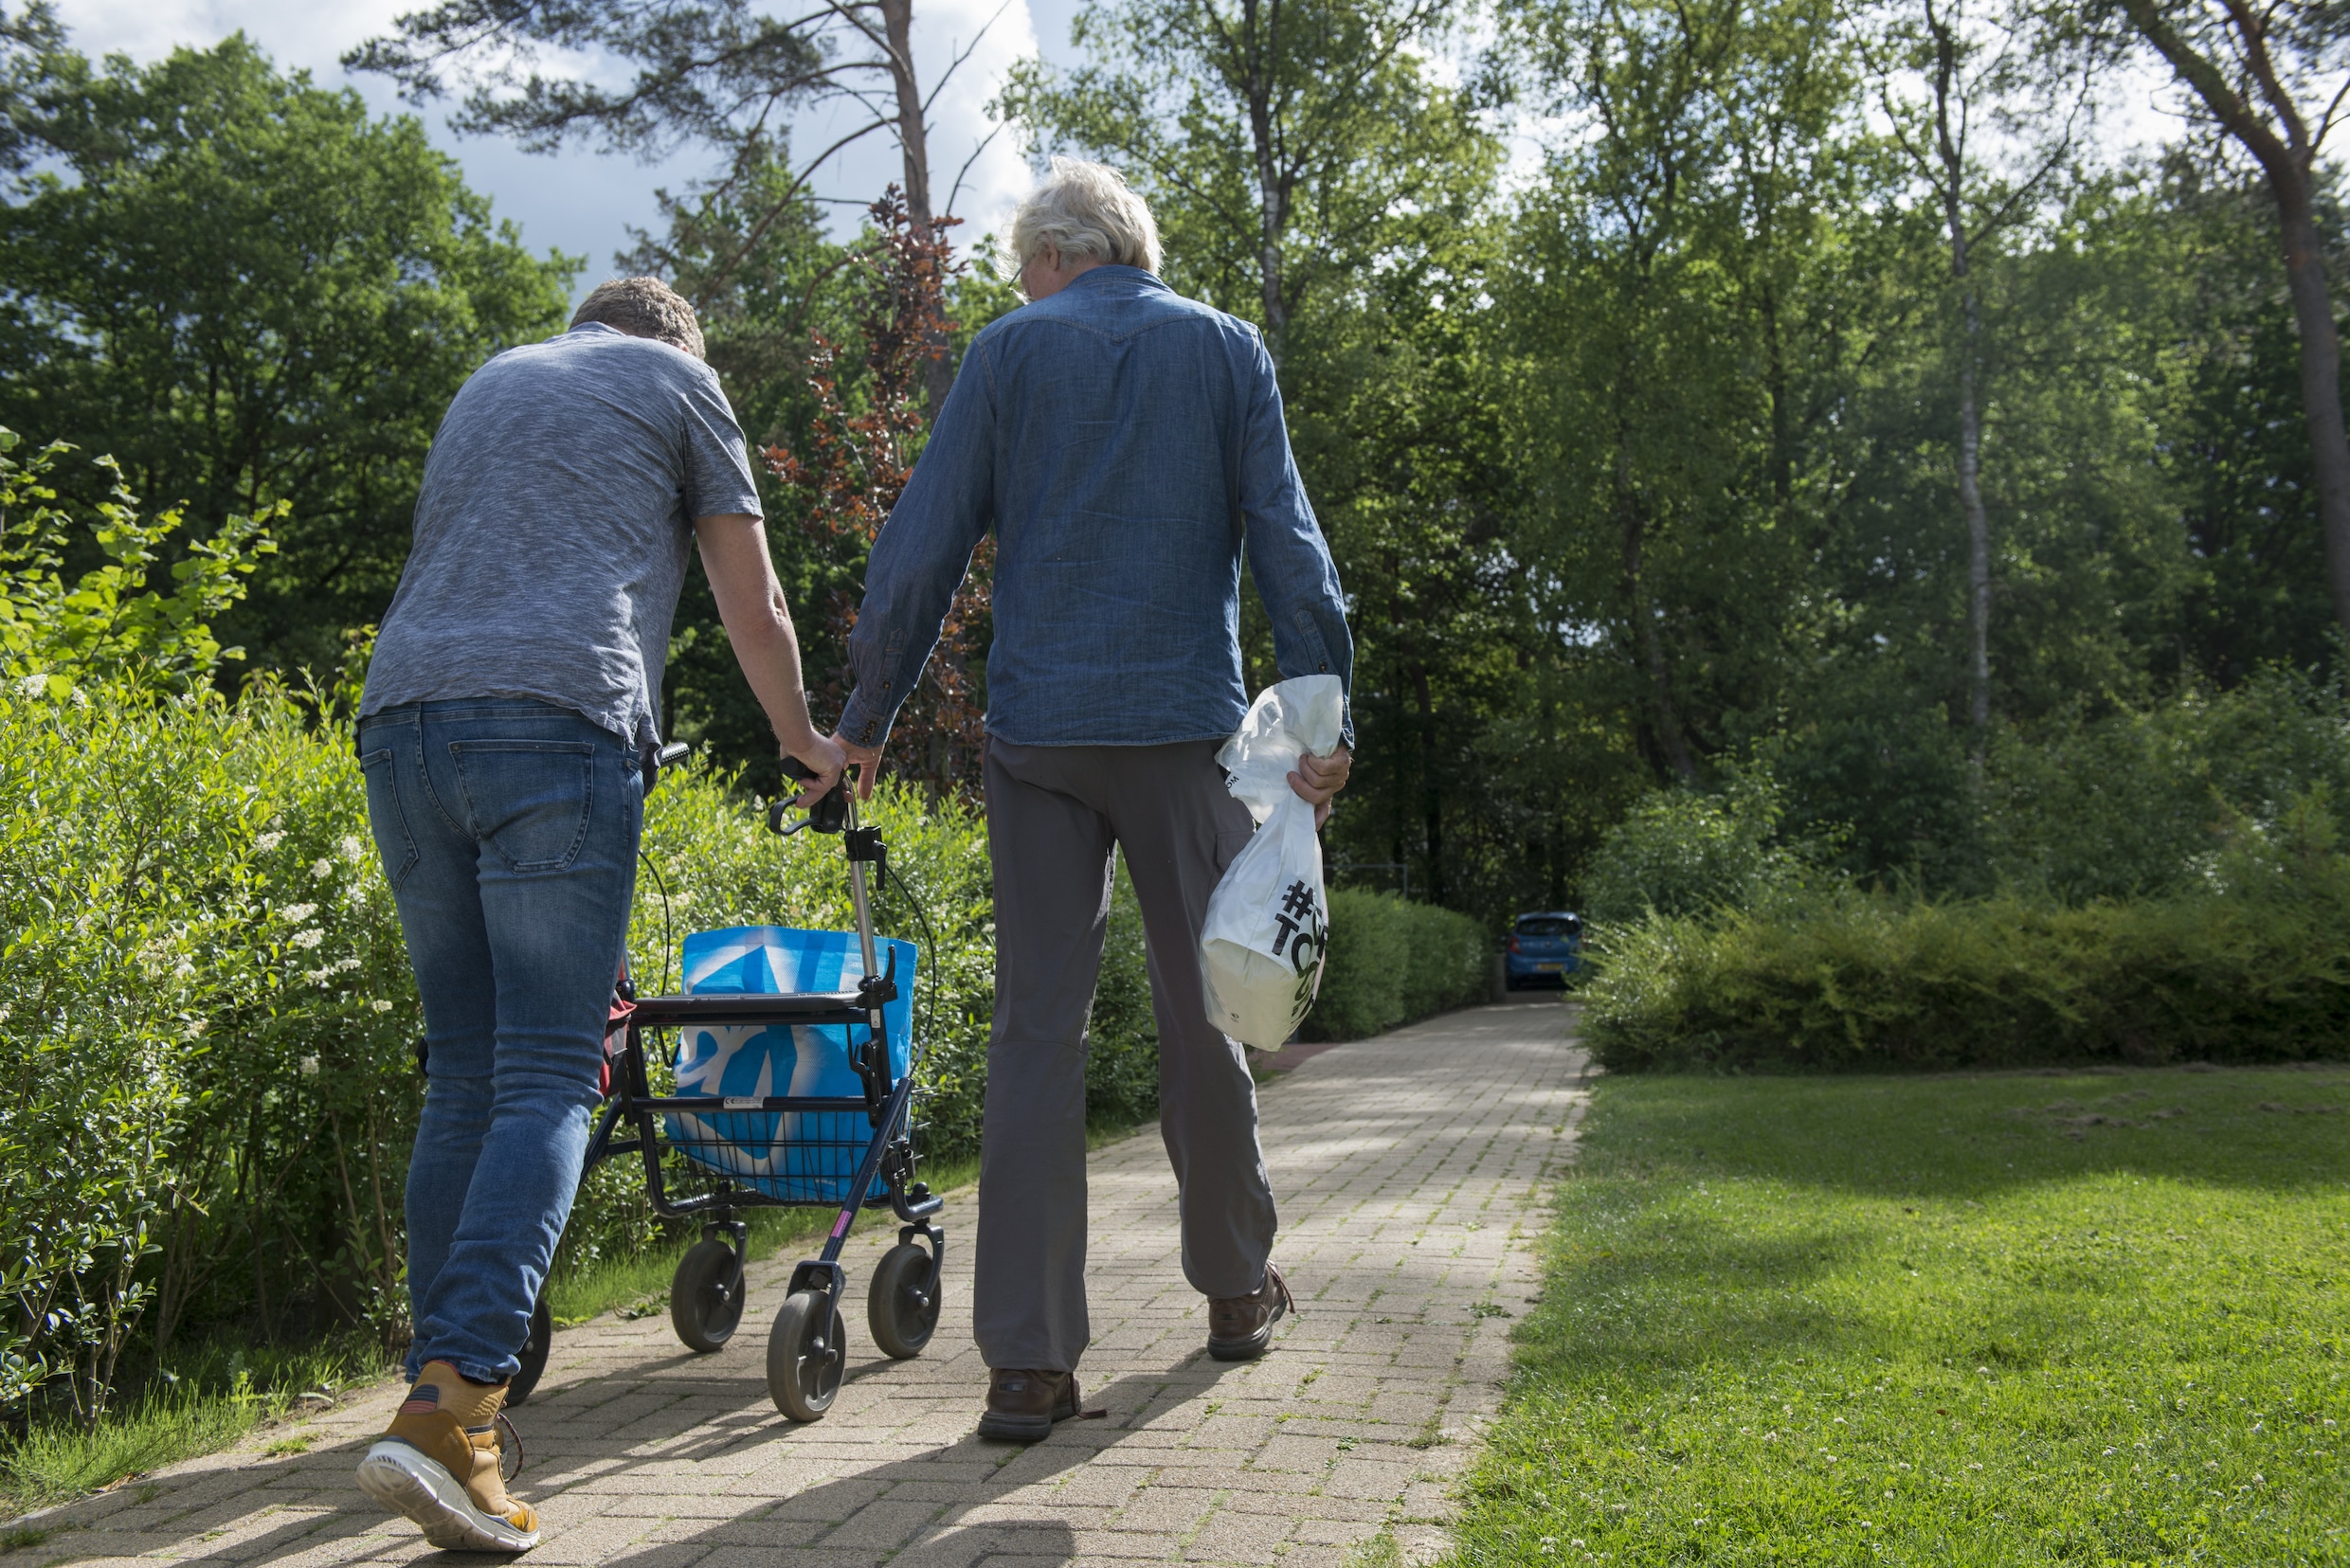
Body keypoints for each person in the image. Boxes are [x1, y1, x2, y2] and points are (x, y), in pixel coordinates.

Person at [831, 157, 1354, 1442]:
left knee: (1036, 1035)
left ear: (1062, 254)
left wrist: (864, 725)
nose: (1024, 289)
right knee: (1209, 1012)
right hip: (1188, 734)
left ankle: (1027, 1365)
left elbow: (923, 547)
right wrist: (1319, 729)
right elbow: (1293, 552)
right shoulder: (1229, 352)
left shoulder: (1008, 355)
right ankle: (1236, 1292)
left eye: (1025, 268)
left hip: (1044, 743)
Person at [351, 277, 844, 1550]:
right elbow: (756, 602)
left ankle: (434, 1396)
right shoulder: (685, 383)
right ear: (678, 341)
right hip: (556, 722)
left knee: (460, 1077)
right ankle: (455, 1407)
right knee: (550, 1077)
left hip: (402, 720)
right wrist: (807, 745)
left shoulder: (491, 379)